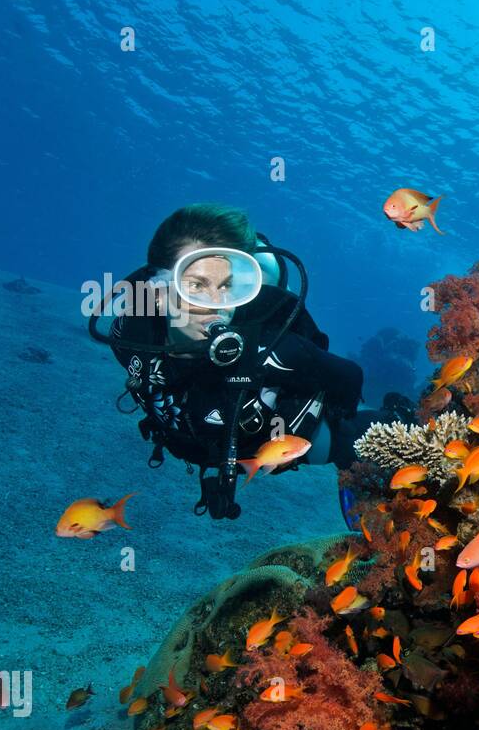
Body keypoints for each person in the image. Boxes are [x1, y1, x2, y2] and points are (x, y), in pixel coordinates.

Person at [89, 203, 414, 520]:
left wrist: (295, 371)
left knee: (350, 442)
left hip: (292, 443)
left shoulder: (276, 343)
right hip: (195, 444)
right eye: (197, 286)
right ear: (159, 293)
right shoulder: (130, 335)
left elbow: (348, 379)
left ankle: (401, 416)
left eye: (227, 286)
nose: (218, 306)